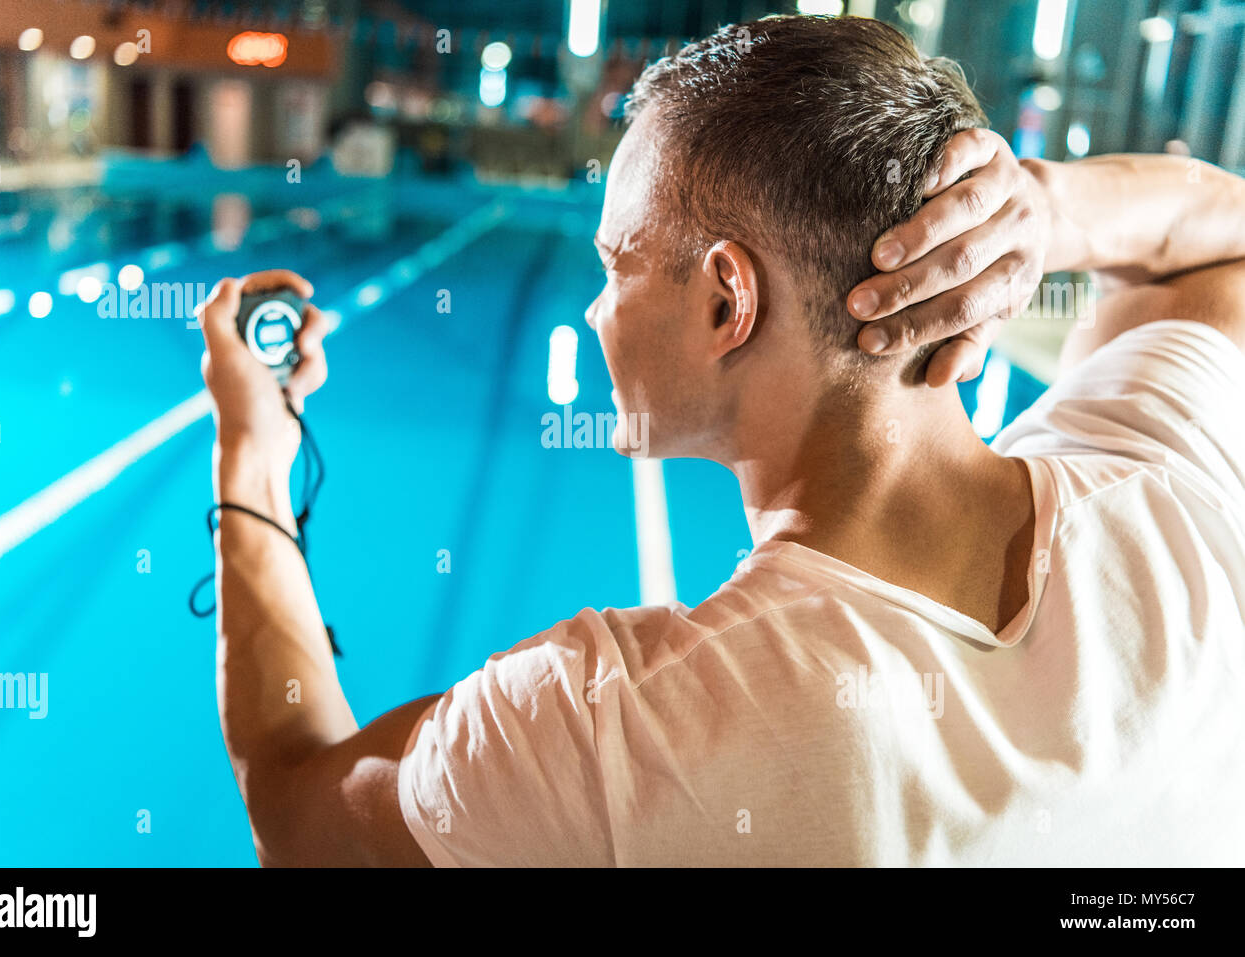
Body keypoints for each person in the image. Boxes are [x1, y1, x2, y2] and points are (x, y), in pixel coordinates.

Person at [196, 15, 1245, 866]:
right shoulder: (1171, 484)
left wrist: (251, 447)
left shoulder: (616, 734)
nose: (596, 313)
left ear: (725, 301)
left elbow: (297, 810)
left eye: (617, 265)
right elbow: (1220, 243)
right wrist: (1049, 210)